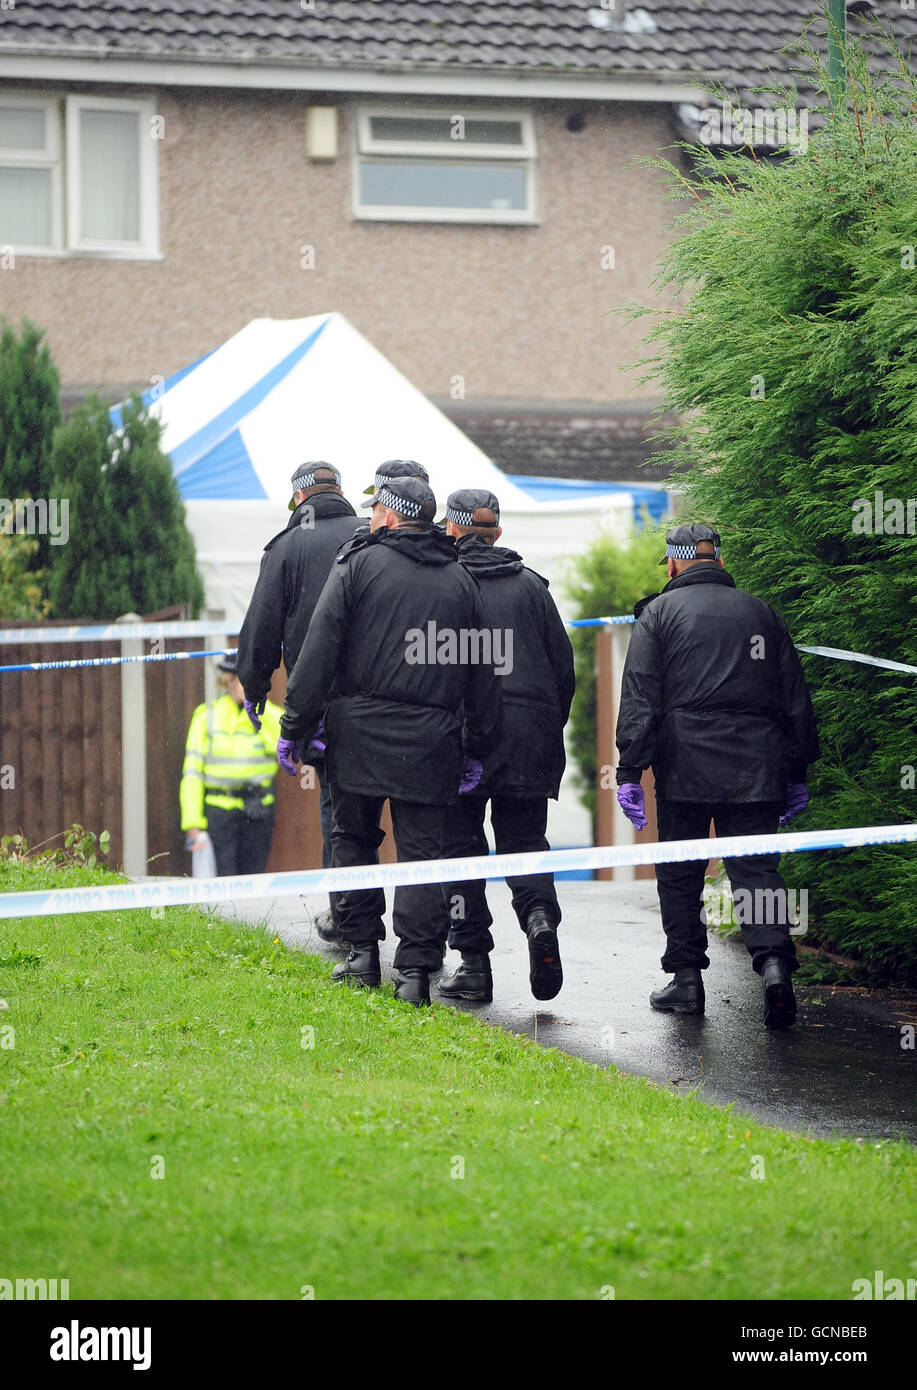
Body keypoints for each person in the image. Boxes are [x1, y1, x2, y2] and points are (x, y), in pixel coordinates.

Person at [277, 475, 502, 1006]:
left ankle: (361, 957)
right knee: (423, 855)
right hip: (432, 741)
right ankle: (416, 973)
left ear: (391, 514)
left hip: (358, 736)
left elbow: (318, 652)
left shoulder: (356, 566)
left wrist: (294, 726)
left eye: (376, 506)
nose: (371, 514)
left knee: (353, 839)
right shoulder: (460, 580)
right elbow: (483, 670)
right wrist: (477, 744)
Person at [615, 523, 819, 1029]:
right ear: (719, 561)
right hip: (757, 764)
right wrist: (797, 770)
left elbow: (641, 698)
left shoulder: (658, 615)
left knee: (681, 871)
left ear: (673, 563)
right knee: (755, 871)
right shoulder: (760, 613)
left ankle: (686, 980)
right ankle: (774, 968)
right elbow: (795, 698)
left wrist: (629, 769)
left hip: (684, 764)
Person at [437, 489, 575, 1005]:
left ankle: (472, 964)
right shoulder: (533, 588)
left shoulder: (446, 585)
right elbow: (564, 670)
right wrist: (543, 729)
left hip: (466, 739)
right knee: (525, 843)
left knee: (460, 850)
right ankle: (539, 918)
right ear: (498, 532)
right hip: (530, 738)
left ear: (451, 530)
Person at [235, 463, 358, 931]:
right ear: (342, 493)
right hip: (391, 701)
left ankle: (348, 915)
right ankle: (424, 931)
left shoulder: (286, 549)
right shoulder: (373, 537)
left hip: (325, 708)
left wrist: (255, 687)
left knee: (339, 811)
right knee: (410, 818)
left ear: (298, 500)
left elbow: (261, 628)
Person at [180, 652, 283, 875]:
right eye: (240, 678)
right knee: (224, 883)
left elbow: (287, 741)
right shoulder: (206, 717)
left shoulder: (267, 714)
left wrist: (253, 706)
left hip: (258, 809)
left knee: (253, 879)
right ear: (229, 679)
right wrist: (192, 823)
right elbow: (192, 774)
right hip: (219, 813)